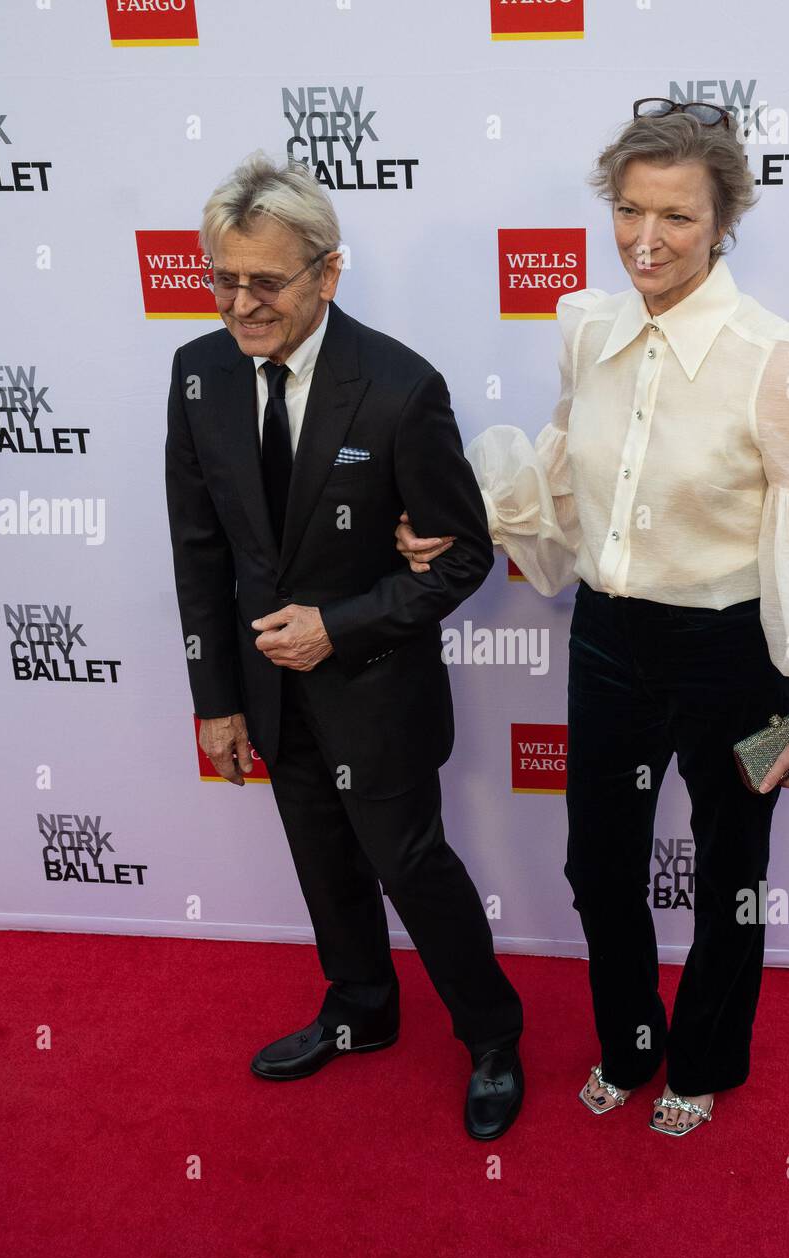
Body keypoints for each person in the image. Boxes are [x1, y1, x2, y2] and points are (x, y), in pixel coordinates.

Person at [396, 104, 789, 1136]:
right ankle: (628, 1044)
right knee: (595, 865)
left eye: (676, 217)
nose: (644, 238)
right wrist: (461, 525)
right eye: (625, 209)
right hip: (608, 642)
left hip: (737, 656)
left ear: (722, 220)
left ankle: (699, 1062)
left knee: (730, 872)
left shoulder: (774, 359)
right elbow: (563, 473)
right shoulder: (587, 329)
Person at [164, 151, 524, 1140]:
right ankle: (361, 1009)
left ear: (326, 271)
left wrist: (342, 625)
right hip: (270, 696)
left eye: (265, 281)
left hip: (376, 688)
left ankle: (492, 1032)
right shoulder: (196, 375)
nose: (241, 304)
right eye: (223, 278)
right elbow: (199, 553)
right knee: (323, 865)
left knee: (409, 865)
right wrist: (216, 699)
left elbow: (461, 560)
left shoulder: (401, 389)